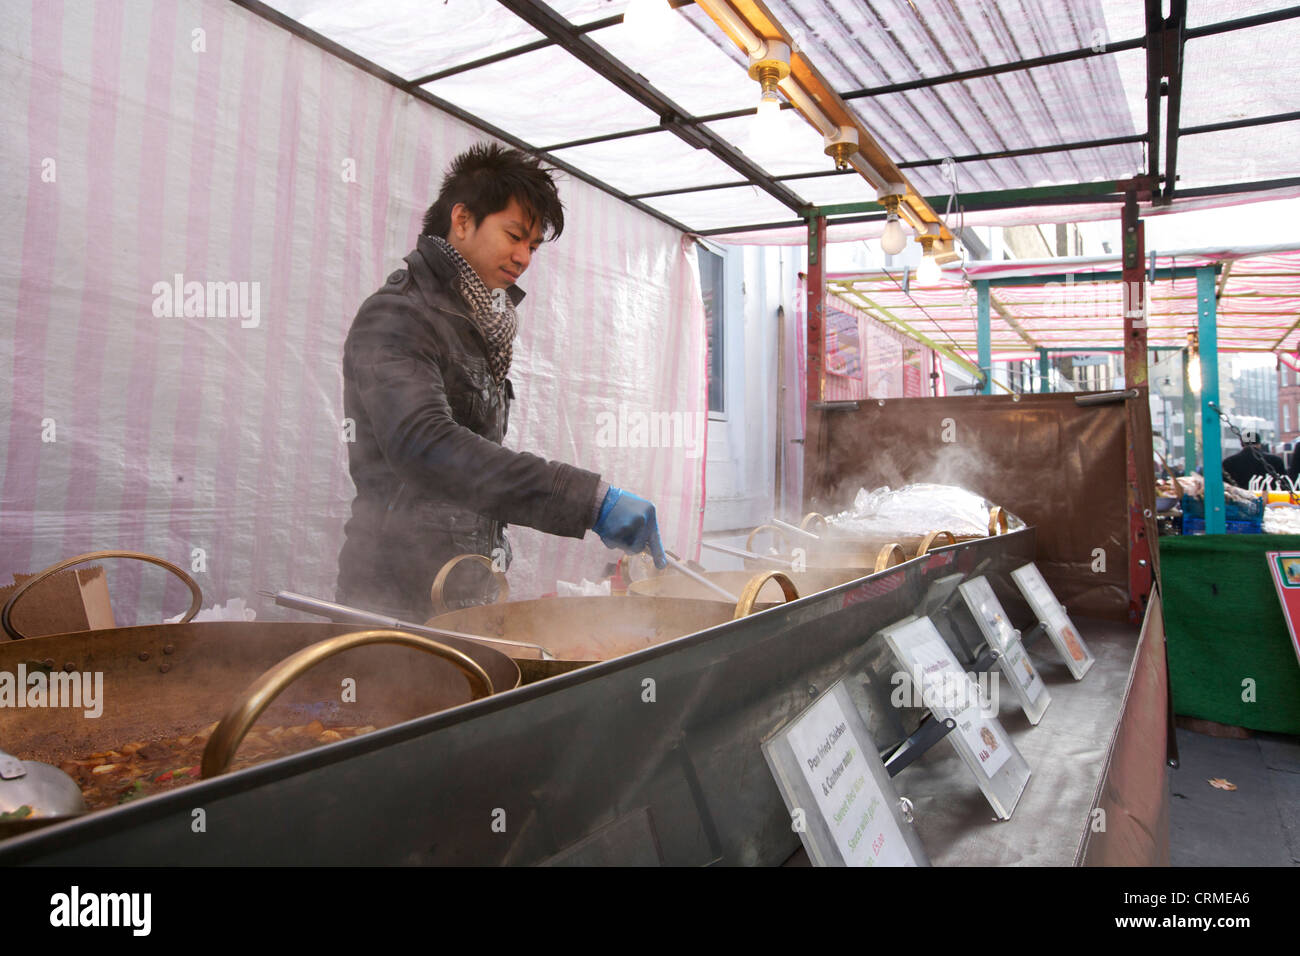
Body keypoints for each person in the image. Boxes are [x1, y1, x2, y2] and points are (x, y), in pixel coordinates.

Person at [336, 143, 667, 620]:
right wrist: (588, 501)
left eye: (532, 246)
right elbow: (425, 446)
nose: (523, 257)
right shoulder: (399, 314)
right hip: (396, 591)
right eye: (514, 235)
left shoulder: (482, 324)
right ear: (463, 220)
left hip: (460, 586)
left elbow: (476, 467)